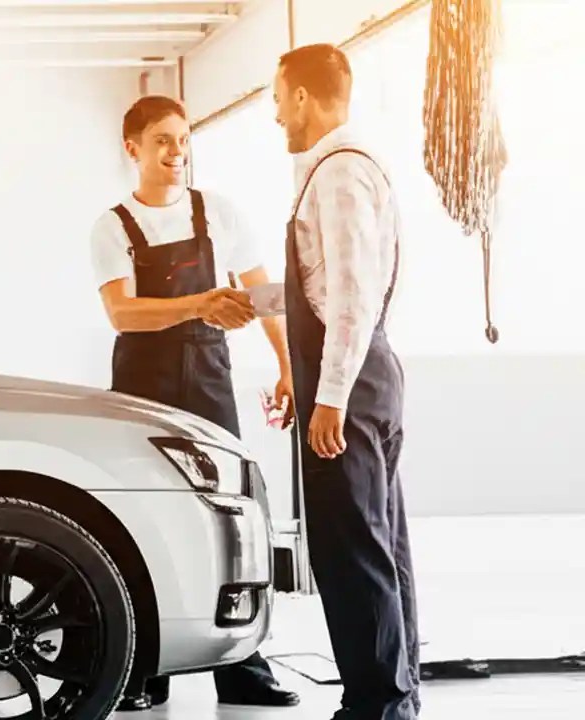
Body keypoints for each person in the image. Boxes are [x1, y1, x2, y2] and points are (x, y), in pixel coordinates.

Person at [90, 94, 300, 711]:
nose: (176, 151)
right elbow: (123, 313)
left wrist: (289, 368)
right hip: (143, 383)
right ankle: (141, 674)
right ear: (132, 148)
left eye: (183, 139)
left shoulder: (220, 213)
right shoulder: (114, 225)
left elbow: (265, 296)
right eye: (162, 140)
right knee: (143, 518)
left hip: (210, 377)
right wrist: (200, 303)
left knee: (229, 517)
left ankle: (243, 669)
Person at [271, 43, 420, 720]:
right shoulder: (349, 167)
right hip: (367, 374)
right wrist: (257, 302)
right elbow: (328, 283)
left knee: (352, 552)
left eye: (279, 99)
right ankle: (393, 700)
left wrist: (329, 398)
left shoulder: (338, 172)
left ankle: (376, 706)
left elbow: (354, 297)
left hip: (351, 387)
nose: (277, 114)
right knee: (379, 547)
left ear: (303, 95)